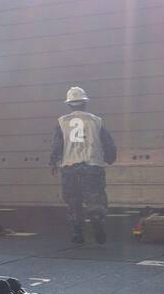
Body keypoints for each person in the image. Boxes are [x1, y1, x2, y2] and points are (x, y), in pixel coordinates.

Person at [49, 86, 117, 244]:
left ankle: (78, 234)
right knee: (95, 198)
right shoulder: (96, 121)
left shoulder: (62, 122)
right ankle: (96, 218)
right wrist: (110, 158)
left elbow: (56, 145)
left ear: (69, 104)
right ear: (85, 103)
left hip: (69, 167)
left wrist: (53, 161)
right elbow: (109, 143)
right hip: (92, 166)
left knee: (73, 200)